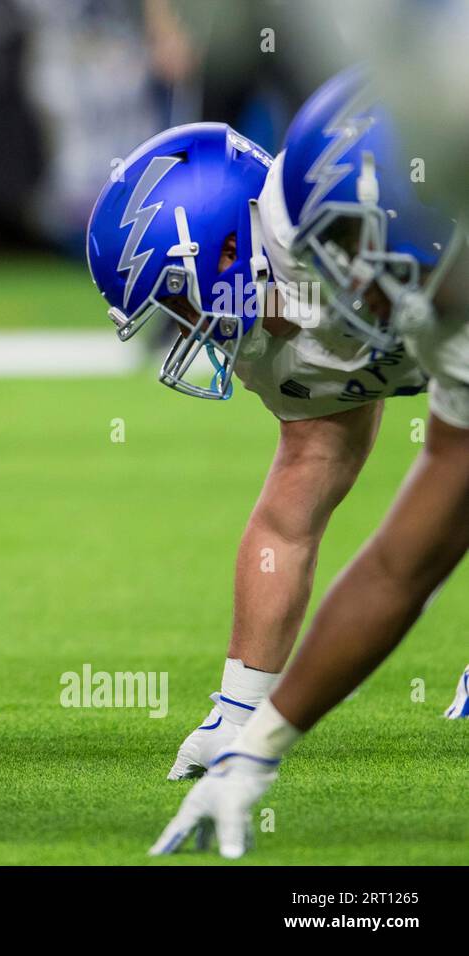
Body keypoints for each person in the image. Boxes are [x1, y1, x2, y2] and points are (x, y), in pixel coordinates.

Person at [151, 68, 469, 858]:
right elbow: (402, 558)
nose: (358, 287)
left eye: (179, 299)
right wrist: (251, 726)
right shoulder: (298, 245)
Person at [85, 116, 431, 781]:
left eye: (178, 300)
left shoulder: (351, 206)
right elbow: (295, 507)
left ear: (224, 249)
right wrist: (239, 717)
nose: (188, 327)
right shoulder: (265, 339)